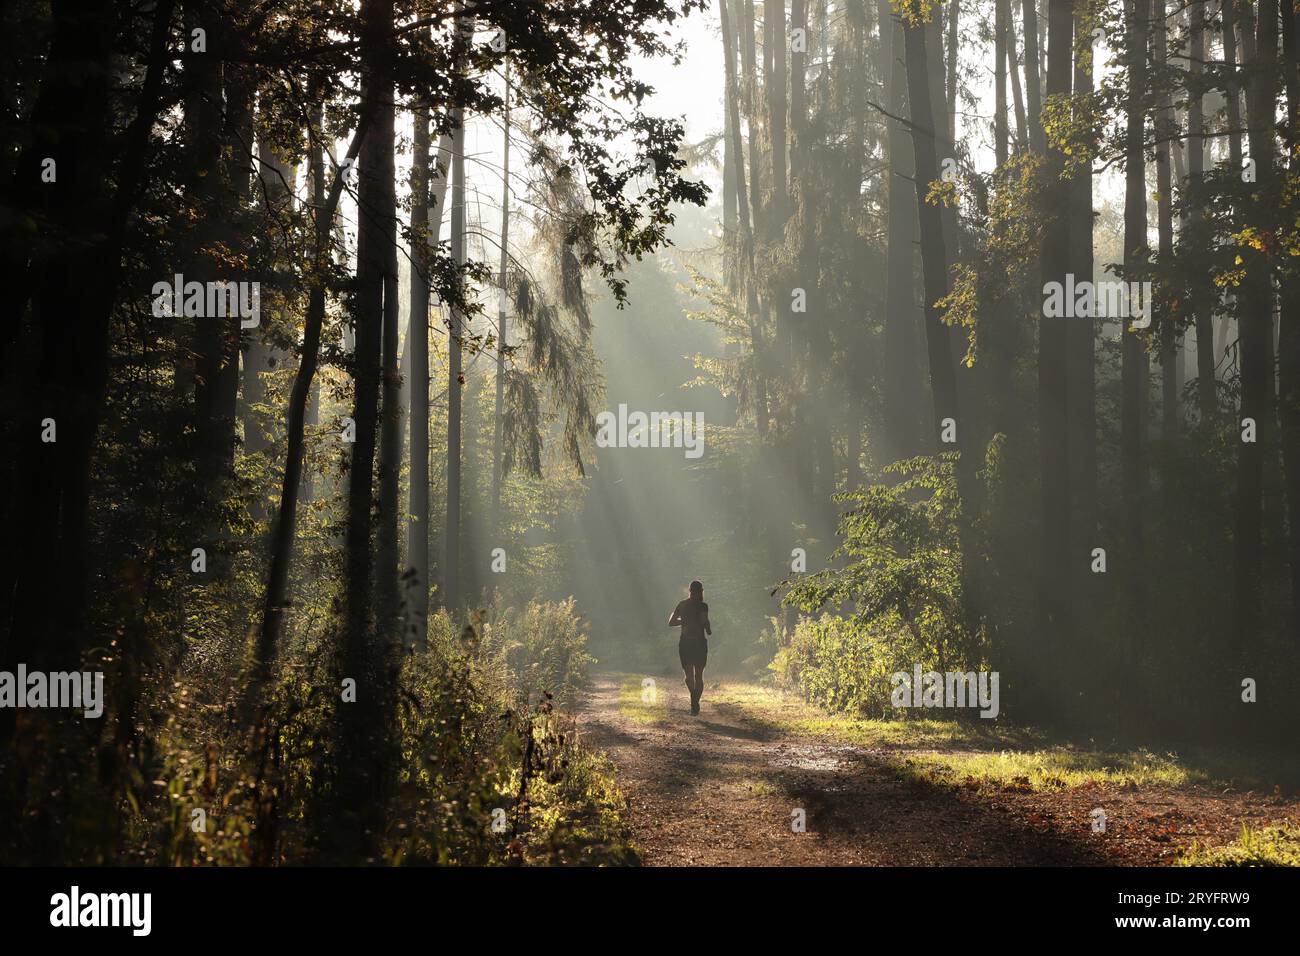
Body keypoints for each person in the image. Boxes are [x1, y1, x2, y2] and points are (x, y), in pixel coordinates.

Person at [669, 580, 711, 715]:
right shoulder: (703, 606)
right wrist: (708, 629)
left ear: (690, 591)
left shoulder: (682, 605)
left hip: (686, 643)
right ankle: (695, 701)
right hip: (699, 642)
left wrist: (684, 620)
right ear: (701, 592)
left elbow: (671, 622)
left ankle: (694, 701)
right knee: (698, 675)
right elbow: (705, 622)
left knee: (689, 676)